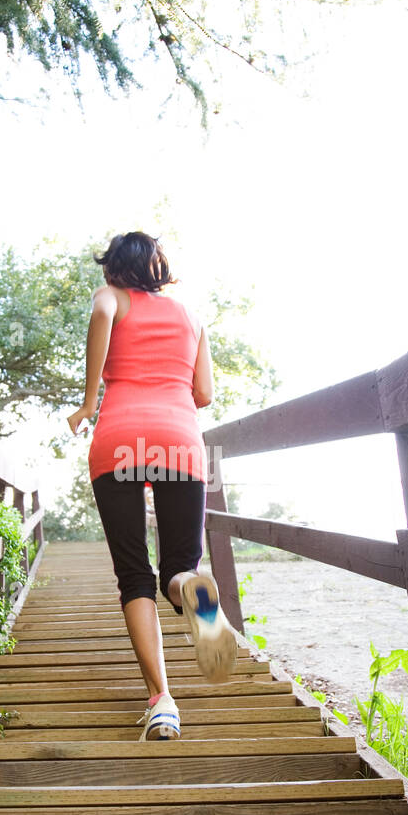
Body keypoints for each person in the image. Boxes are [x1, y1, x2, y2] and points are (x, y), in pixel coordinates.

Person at [67, 231, 237, 740]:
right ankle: (194, 591)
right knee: (179, 567)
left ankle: (162, 701)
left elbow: (100, 316)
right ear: (158, 269)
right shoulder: (191, 316)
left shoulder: (110, 298)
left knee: (134, 575)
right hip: (179, 442)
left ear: (113, 269)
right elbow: (203, 394)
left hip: (119, 438)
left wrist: (88, 401)